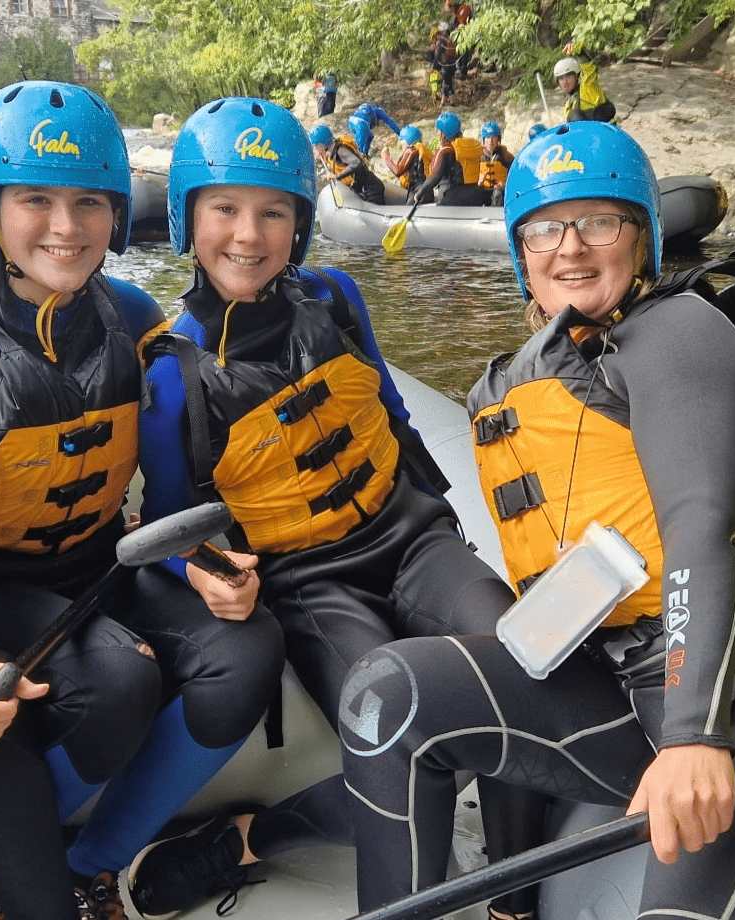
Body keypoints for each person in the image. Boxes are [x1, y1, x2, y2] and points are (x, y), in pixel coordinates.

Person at [340, 121, 735, 920]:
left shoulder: (676, 332)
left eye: (598, 221)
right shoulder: (517, 382)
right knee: (385, 692)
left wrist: (693, 737)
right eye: (543, 228)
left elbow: (702, 527)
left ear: (640, 238)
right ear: (519, 250)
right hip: (628, 675)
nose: (569, 247)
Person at [0, 81, 286, 920]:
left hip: (94, 565)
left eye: (88, 200)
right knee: (114, 681)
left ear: (117, 213)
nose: (65, 226)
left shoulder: (130, 316)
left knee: (244, 648)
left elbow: (166, 499)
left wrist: (201, 567)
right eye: (35, 199)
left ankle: (92, 862)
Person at [123, 96, 547, 920]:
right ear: (187, 216)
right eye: (225, 210)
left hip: (412, 539)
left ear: (299, 223)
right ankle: (251, 839)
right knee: (392, 729)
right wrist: (207, 575)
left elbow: (390, 414)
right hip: (311, 582)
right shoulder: (171, 374)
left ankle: (513, 904)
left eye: (272, 212)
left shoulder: (336, 296)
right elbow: (175, 520)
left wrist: (456, 525)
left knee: (517, 656)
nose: (248, 236)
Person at [412, 112, 487, 207]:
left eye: (439, 131)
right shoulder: (472, 146)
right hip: (475, 196)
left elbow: (435, 177)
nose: (438, 134)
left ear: (444, 133)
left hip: (453, 198)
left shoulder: (446, 150)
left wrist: (420, 192)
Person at [311, 123, 387, 205]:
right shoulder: (333, 149)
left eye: (317, 146)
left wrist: (337, 176)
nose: (316, 149)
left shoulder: (340, 150)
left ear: (322, 145)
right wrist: (323, 155)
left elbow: (357, 163)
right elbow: (338, 162)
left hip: (371, 190)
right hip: (363, 188)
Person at [555, 55, 616, 123]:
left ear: (577, 77)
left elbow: (589, 70)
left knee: (574, 115)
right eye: (561, 79)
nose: (565, 82)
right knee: (572, 115)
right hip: (589, 132)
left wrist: (580, 54)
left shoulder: (588, 88)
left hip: (605, 132)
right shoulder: (568, 105)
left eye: (569, 77)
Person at [383, 124, 434, 202]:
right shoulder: (421, 151)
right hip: (428, 191)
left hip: (417, 191)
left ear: (406, 142)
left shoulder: (411, 150)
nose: (402, 146)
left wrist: (386, 157)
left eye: (402, 143)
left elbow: (397, 171)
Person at [476, 120, 513, 206]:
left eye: (494, 137)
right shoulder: (478, 156)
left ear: (498, 139)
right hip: (483, 189)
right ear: (484, 140)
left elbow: (515, 173)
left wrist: (505, 184)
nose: (490, 141)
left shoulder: (506, 156)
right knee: (474, 192)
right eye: (488, 138)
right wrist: (478, 182)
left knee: (498, 193)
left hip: (500, 191)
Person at [428, 22, 458, 105]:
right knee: (446, 83)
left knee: (448, 84)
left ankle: (453, 102)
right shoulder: (450, 38)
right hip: (453, 64)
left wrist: (433, 67)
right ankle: (443, 103)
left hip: (446, 65)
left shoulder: (441, 42)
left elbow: (438, 56)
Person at [443, 0, 475, 77]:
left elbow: (463, 22)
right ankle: (458, 68)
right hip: (459, 33)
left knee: (464, 51)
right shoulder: (455, 12)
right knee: (456, 51)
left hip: (465, 34)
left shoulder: (462, 9)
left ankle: (463, 70)